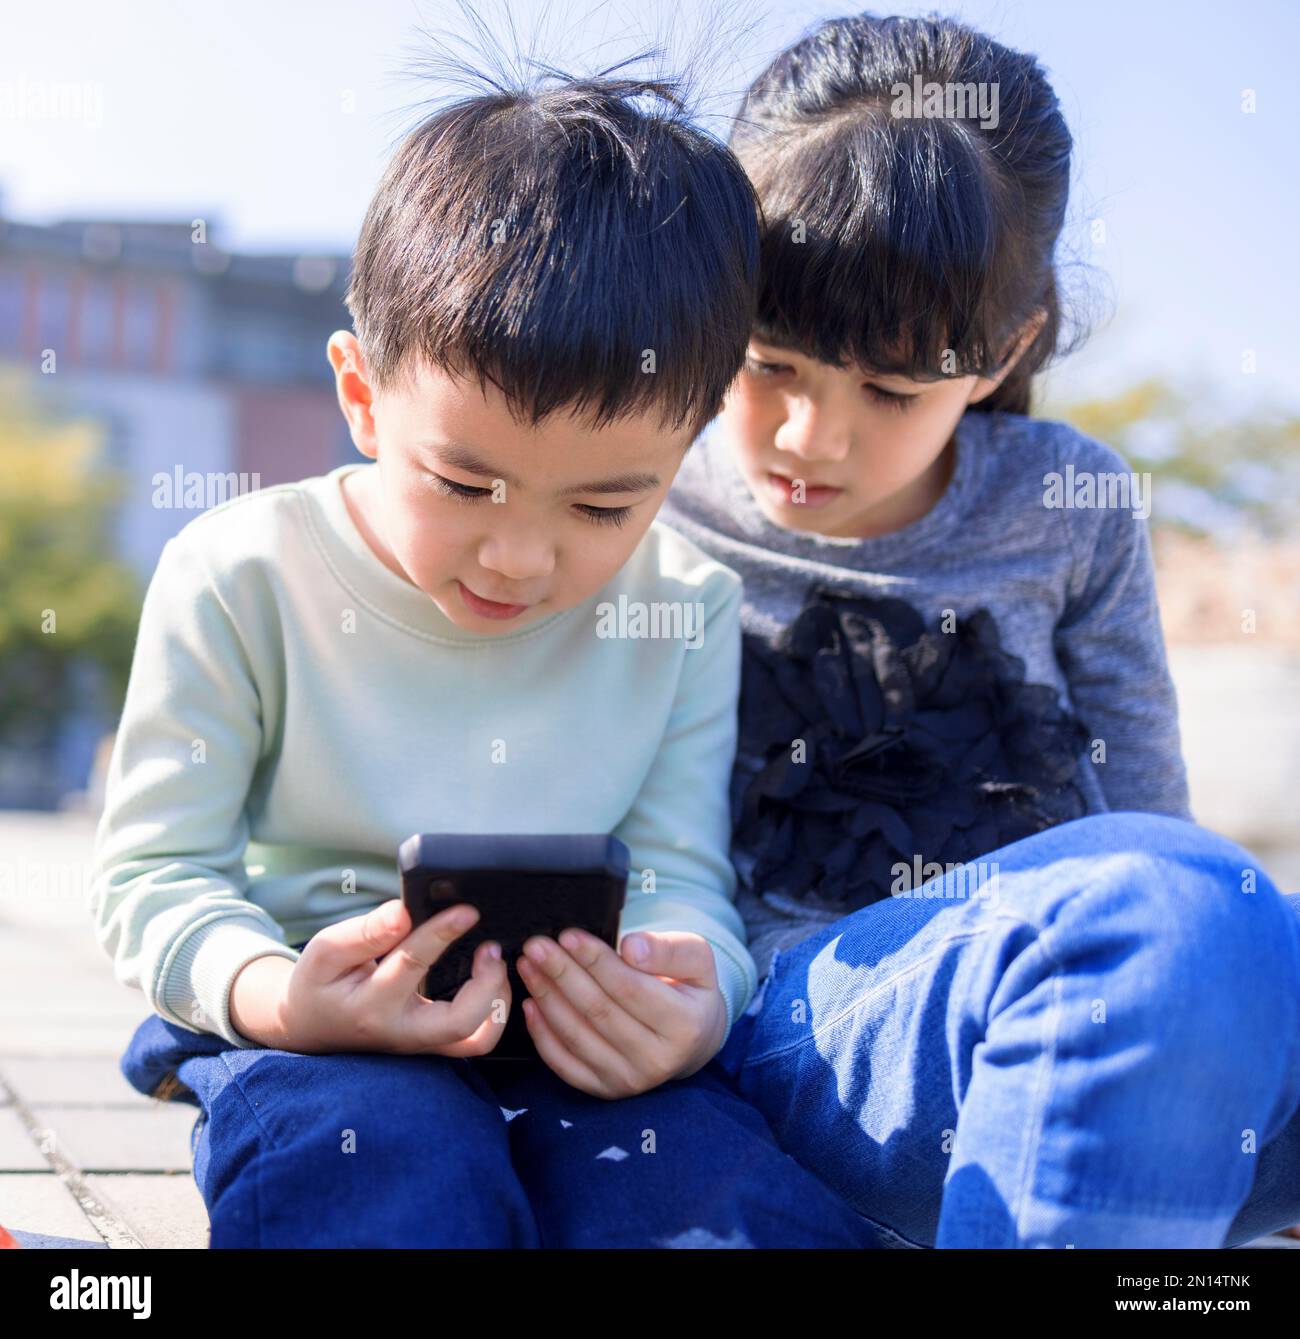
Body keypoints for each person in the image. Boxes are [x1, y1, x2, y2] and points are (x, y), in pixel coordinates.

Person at [88, 56, 884, 1250]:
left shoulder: (683, 606)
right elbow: (153, 875)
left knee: (721, 1202)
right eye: (464, 482)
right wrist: (274, 992)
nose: (518, 557)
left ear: (690, 445)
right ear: (362, 395)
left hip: (577, 1048)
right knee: (390, 1180)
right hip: (321, 1037)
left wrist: (697, 999)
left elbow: (676, 869)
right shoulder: (243, 570)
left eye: (606, 507)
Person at [636, 11, 1300, 1247]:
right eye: (770, 362)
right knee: (1171, 910)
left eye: (889, 391)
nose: (807, 437)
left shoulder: (1067, 502)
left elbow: (1152, 825)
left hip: (1091, 1001)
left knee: (1200, 911)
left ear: (1006, 351)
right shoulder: (635, 487)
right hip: (802, 1027)